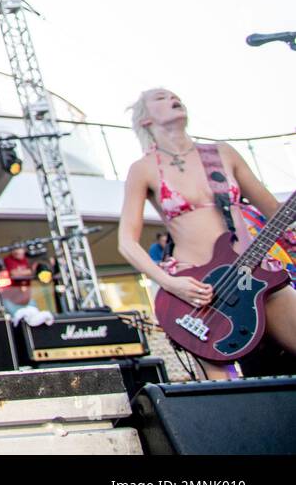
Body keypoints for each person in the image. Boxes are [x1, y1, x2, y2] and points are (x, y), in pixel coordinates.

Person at [117, 88, 296, 379]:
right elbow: (127, 242)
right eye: (160, 98)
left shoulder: (222, 153)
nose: (173, 98)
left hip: (256, 274)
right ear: (145, 120)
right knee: (222, 388)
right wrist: (171, 284)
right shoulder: (143, 169)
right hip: (200, 292)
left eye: (174, 95)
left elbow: (274, 210)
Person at [0, 244, 34, 317]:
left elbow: (37, 270)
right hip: (11, 298)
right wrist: (30, 271)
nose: (18, 253)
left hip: (26, 298)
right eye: (16, 251)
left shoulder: (28, 259)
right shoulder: (8, 259)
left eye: (20, 251)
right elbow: (14, 273)